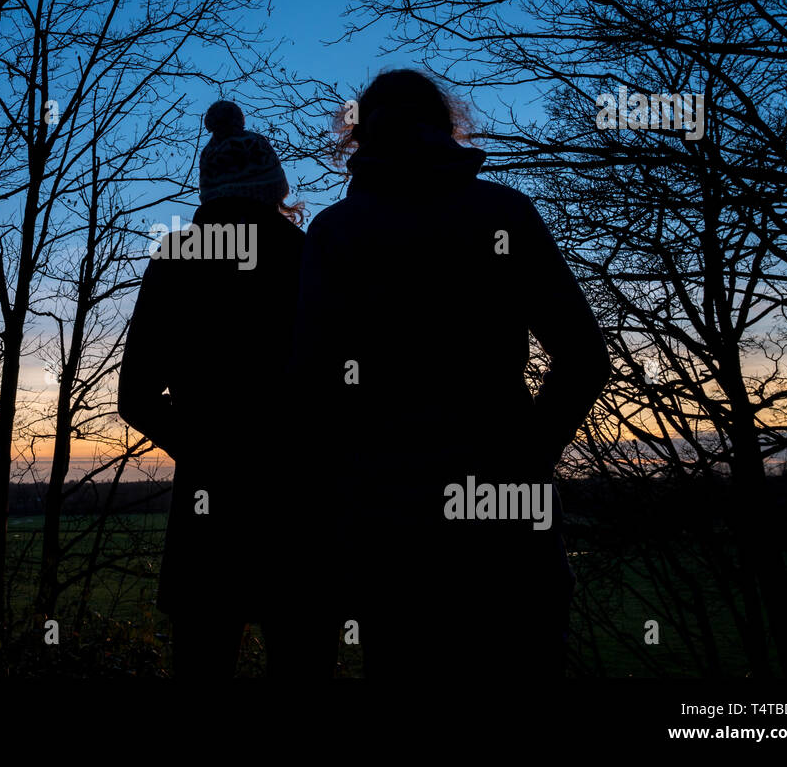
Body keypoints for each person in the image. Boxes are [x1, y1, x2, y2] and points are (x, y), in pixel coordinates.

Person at [291, 68, 611, 678]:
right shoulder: (504, 213)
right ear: (447, 127)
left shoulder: (336, 233)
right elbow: (584, 359)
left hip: (391, 528)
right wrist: (521, 461)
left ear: (357, 139)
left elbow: (311, 390)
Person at [119, 100, 336, 678]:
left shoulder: (178, 259)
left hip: (209, 507)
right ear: (274, 187)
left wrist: (207, 445)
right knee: (304, 662)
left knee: (203, 664)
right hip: (302, 501)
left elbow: (135, 397)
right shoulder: (310, 254)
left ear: (207, 190)